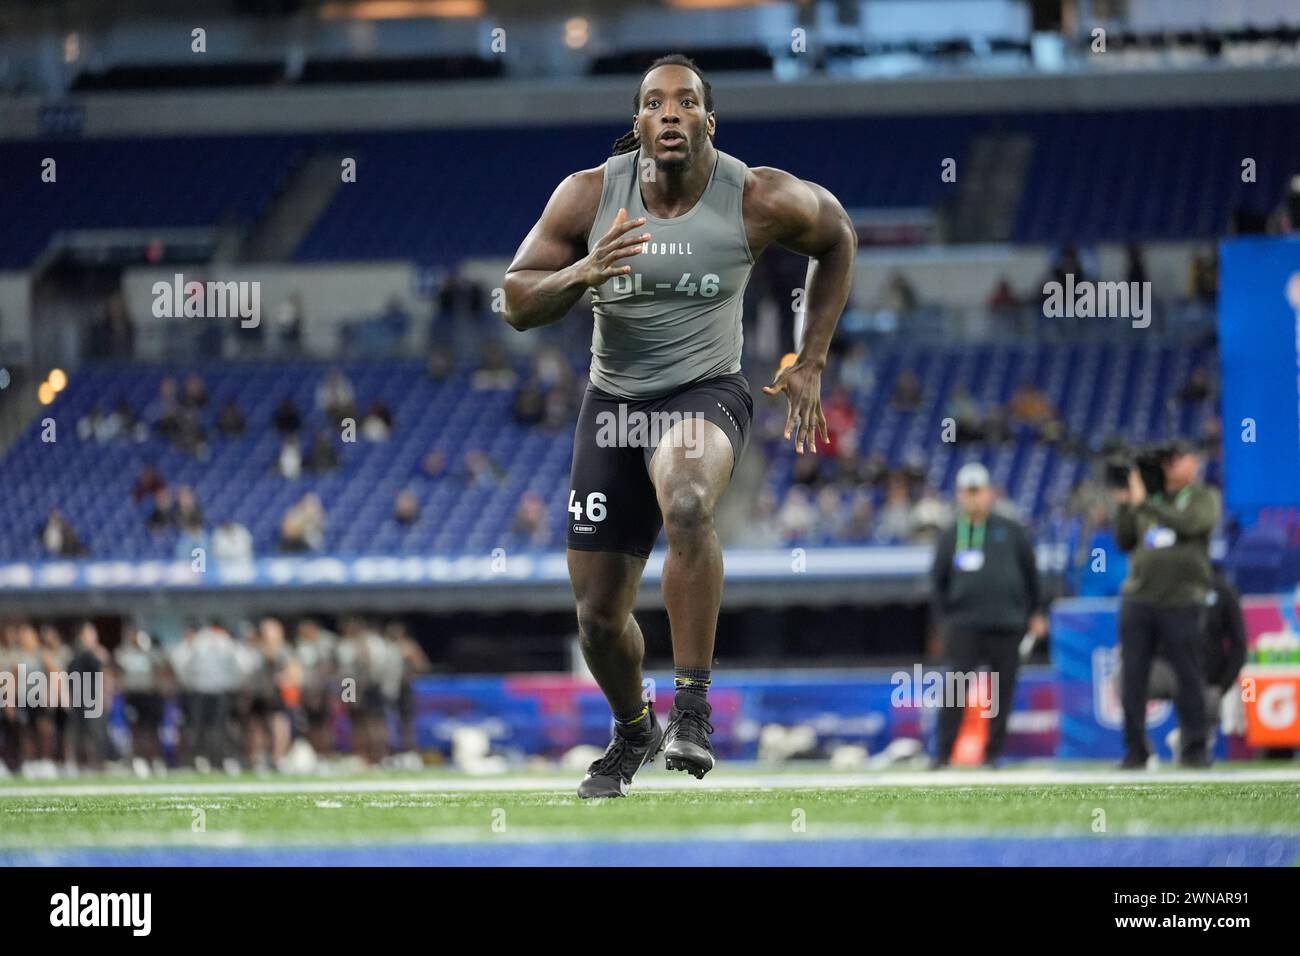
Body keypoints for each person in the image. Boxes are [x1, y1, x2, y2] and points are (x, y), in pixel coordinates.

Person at [503, 53, 855, 797]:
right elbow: (514, 300)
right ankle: (635, 727)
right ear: (637, 123)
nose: (670, 112)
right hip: (612, 408)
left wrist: (812, 357)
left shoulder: (756, 197)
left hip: (705, 391)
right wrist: (579, 275)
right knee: (598, 619)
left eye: (686, 102)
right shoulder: (589, 195)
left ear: (707, 122)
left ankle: (693, 706)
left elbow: (838, 238)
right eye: (655, 102)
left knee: (690, 501)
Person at [930, 463, 1046, 768]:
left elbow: (1031, 574)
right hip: (964, 625)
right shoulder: (951, 534)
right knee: (955, 690)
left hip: (1007, 623)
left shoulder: (1011, 530)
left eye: (977, 491)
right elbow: (938, 581)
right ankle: (943, 753)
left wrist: (1037, 611)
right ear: (959, 495)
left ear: (989, 492)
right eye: (967, 492)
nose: (973, 498)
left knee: (1001, 692)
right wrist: (944, 622)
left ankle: (993, 755)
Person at [1113, 440, 1221, 768]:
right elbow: (1124, 539)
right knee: (1133, 676)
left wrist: (1145, 503)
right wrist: (1126, 502)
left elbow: (1189, 525)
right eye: (1167, 460)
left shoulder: (1203, 497)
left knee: (1189, 676)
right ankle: (1135, 751)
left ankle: (1195, 749)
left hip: (1182, 601)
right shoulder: (1149, 500)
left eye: (1178, 459)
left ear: (1193, 464)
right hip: (1139, 599)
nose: (1172, 465)